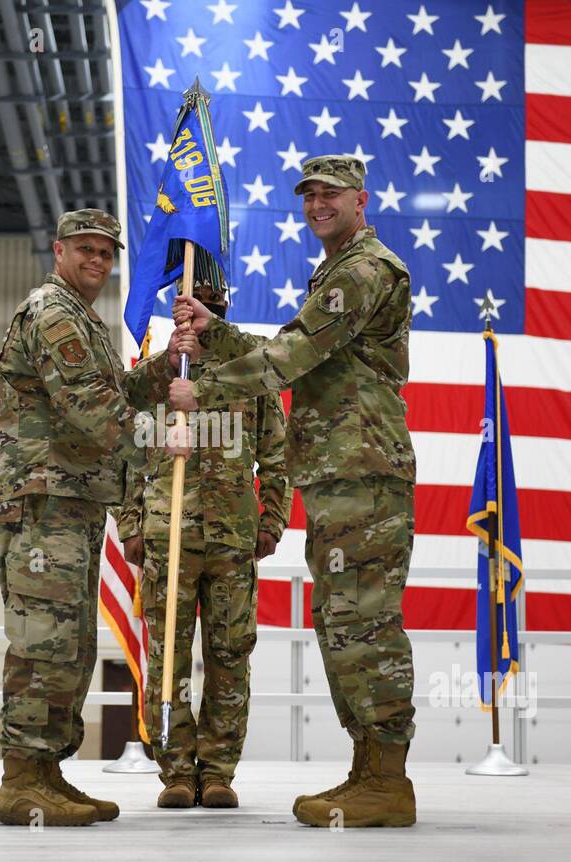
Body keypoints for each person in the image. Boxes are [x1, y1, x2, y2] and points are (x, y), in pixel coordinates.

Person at [167, 155, 418, 827]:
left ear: (361, 199)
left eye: (329, 194)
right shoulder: (337, 272)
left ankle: (387, 778)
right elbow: (295, 343)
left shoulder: (364, 271)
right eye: (308, 195)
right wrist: (213, 330)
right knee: (342, 621)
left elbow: (295, 354)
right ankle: (370, 769)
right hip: (342, 471)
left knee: (364, 621)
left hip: (363, 470)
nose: (316, 205)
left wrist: (205, 386)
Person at [0, 209, 192, 826]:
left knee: (71, 644)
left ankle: (47, 772)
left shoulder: (84, 320)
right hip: (42, 504)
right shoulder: (53, 313)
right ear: (58, 251)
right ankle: (21, 780)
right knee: (42, 644)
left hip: (71, 505)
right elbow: (90, 411)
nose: (96, 262)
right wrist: (164, 436)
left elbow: (116, 395)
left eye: (106, 253)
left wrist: (168, 365)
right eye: (85, 250)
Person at [120, 282, 292, 809]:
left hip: (232, 540)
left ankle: (218, 771)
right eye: (189, 311)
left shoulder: (249, 373)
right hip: (166, 540)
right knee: (167, 657)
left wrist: (272, 522)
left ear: (219, 313)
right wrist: (131, 525)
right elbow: (124, 459)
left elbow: (278, 458)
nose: (197, 319)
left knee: (229, 656)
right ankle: (175, 770)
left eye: (209, 311)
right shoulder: (158, 375)